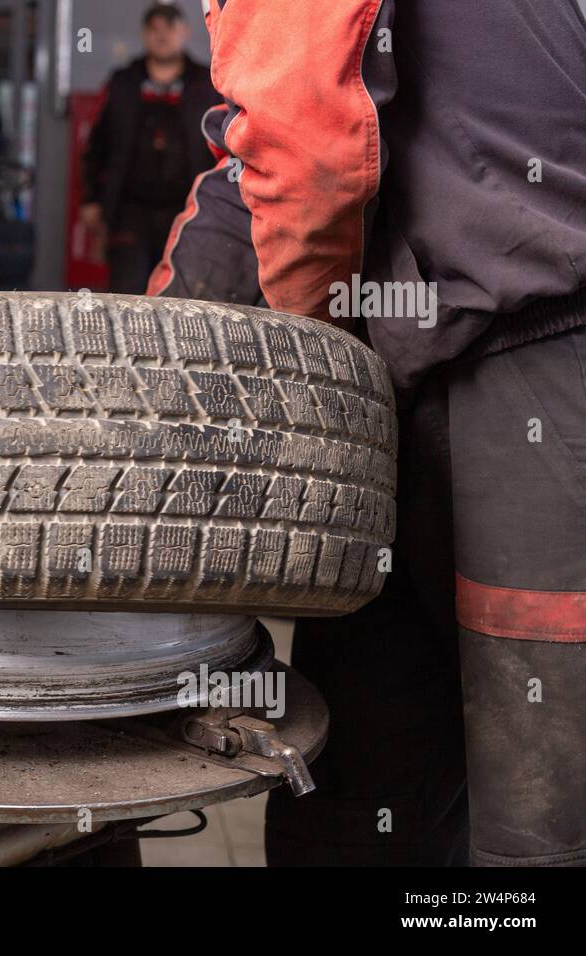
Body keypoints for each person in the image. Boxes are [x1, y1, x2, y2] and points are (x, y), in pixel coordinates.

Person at [150, 0, 586, 867]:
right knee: (387, 791)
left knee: (533, 818)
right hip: (462, 353)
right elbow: (257, 168)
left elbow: (305, 149)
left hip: (522, 360)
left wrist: (311, 362)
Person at [79, 4, 220, 295]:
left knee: (185, 294)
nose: (162, 35)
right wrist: (90, 200)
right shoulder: (123, 83)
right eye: (154, 28)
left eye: (170, 27)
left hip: (190, 210)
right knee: (128, 294)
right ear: (144, 34)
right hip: (130, 212)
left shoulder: (206, 84)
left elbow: (223, 145)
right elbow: (97, 145)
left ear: (185, 32)